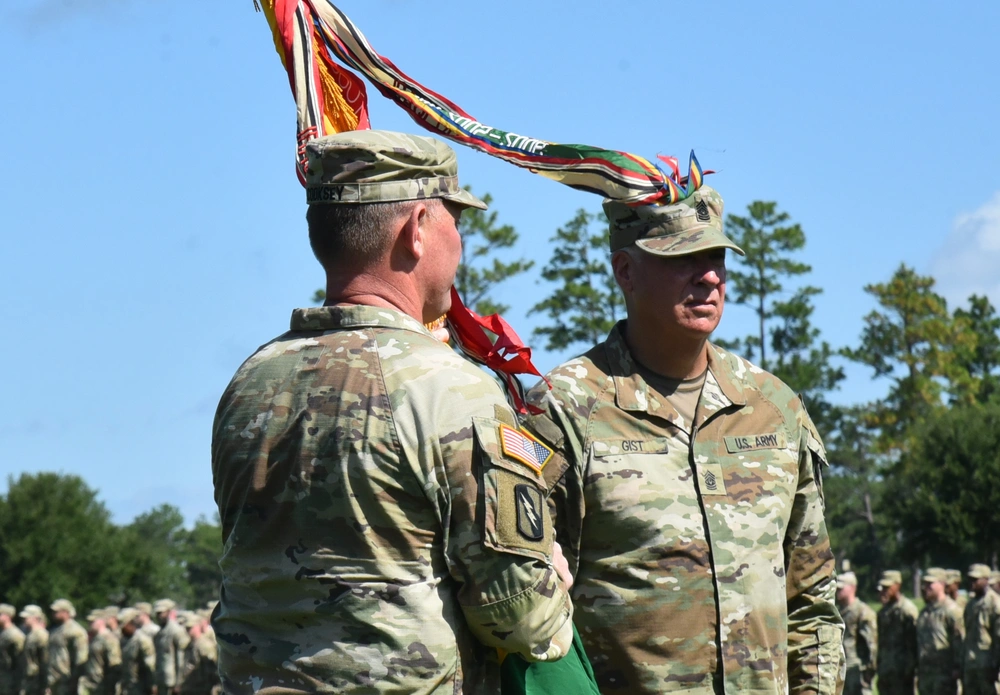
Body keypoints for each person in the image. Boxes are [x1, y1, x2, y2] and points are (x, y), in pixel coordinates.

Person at [211, 130, 575, 695]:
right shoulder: (449, 389)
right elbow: (521, 616)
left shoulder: (250, 382)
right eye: (456, 219)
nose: (461, 241)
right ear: (418, 228)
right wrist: (551, 574)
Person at [523, 184, 844, 694]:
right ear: (625, 271)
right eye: (683, 258)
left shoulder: (773, 408)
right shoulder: (564, 408)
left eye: (716, 258)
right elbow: (527, 596)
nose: (709, 276)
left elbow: (811, 600)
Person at [918, 568, 965, 695]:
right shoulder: (924, 612)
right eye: (924, 584)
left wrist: (957, 668)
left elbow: (960, 641)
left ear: (942, 584)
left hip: (944, 675)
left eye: (930, 584)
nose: (926, 587)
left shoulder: (952, 611)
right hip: (926, 675)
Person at [878, 570, 920, 695]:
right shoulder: (884, 611)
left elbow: (913, 644)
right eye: (883, 587)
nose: (884, 590)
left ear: (898, 585)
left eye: (888, 587)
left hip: (902, 672)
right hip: (886, 670)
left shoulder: (907, 610)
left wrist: (909, 670)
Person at [961, 564, 1000, 695]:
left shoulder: (995, 603)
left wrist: (996, 665)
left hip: (987, 666)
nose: (972, 583)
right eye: (970, 579)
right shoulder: (970, 604)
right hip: (971, 665)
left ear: (986, 580)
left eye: (976, 580)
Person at [838, 572, 878, 695]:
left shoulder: (863, 612)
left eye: (841, 587)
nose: (837, 590)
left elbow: (872, 645)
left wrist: (869, 671)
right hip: (841, 672)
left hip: (857, 673)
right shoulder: (837, 612)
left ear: (852, 588)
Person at [47, 599, 88, 695]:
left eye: (56, 611)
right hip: (54, 680)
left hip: (66, 681)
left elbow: (81, 658)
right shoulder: (56, 630)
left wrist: (74, 680)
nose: (53, 614)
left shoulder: (76, 631)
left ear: (65, 612)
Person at [79, 608, 122, 695]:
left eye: (92, 621)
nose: (90, 624)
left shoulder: (109, 639)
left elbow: (114, 665)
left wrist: (110, 687)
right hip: (91, 683)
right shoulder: (94, 639)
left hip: (102, 685)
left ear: (101, 621)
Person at [152, 599, 189, 695]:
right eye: (157, 613)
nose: (159, 616)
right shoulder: (159, 633)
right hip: (161, 679)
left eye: (161, 613)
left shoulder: (176, 631)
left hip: (172, 681)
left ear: (168, 612)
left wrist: (179, 683)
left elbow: (181, 659)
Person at [176, 613, 217, 695]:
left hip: (201, 688)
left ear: (198, 626)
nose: (188, 630)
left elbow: (212, 667)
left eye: (190, 627)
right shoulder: (190, 644)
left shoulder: (204, 644)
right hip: (190, 687)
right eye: (187, 628)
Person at [118, 609, 155, 695]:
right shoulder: (124, 640)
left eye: (124, 625)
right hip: (128, 686)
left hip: (140, 686)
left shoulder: (142, 640)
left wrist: (152, 685)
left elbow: (150, 665)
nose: (122, 629)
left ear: (131, 623)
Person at [18, 606, 48, 695]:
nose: (24, 619)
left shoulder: (41, 635)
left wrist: (46, 684)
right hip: (29, 680)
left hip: (37, 681)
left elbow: (45, 660)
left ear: (35, 617)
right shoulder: (30, 634)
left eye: (26, 617)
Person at [0, 604, 24, 695]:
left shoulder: (15, 635)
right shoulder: (3, 633)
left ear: (7, 616)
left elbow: (20, 659)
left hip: (10, 680)